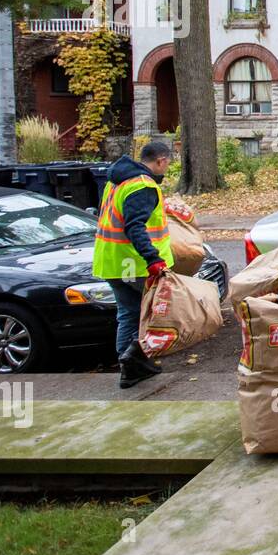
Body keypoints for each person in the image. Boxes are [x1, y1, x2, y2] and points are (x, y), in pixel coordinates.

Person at [92, 141, 175, 389]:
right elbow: (135, 226)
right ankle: (133, 358)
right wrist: (153, 259)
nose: (167, 168)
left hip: (112, 261)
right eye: (168, 163)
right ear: (160, 161)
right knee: (152, 315)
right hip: (133, 264)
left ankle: (129, 365)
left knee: (128, 313)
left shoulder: (117, 181)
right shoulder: (143, 186)